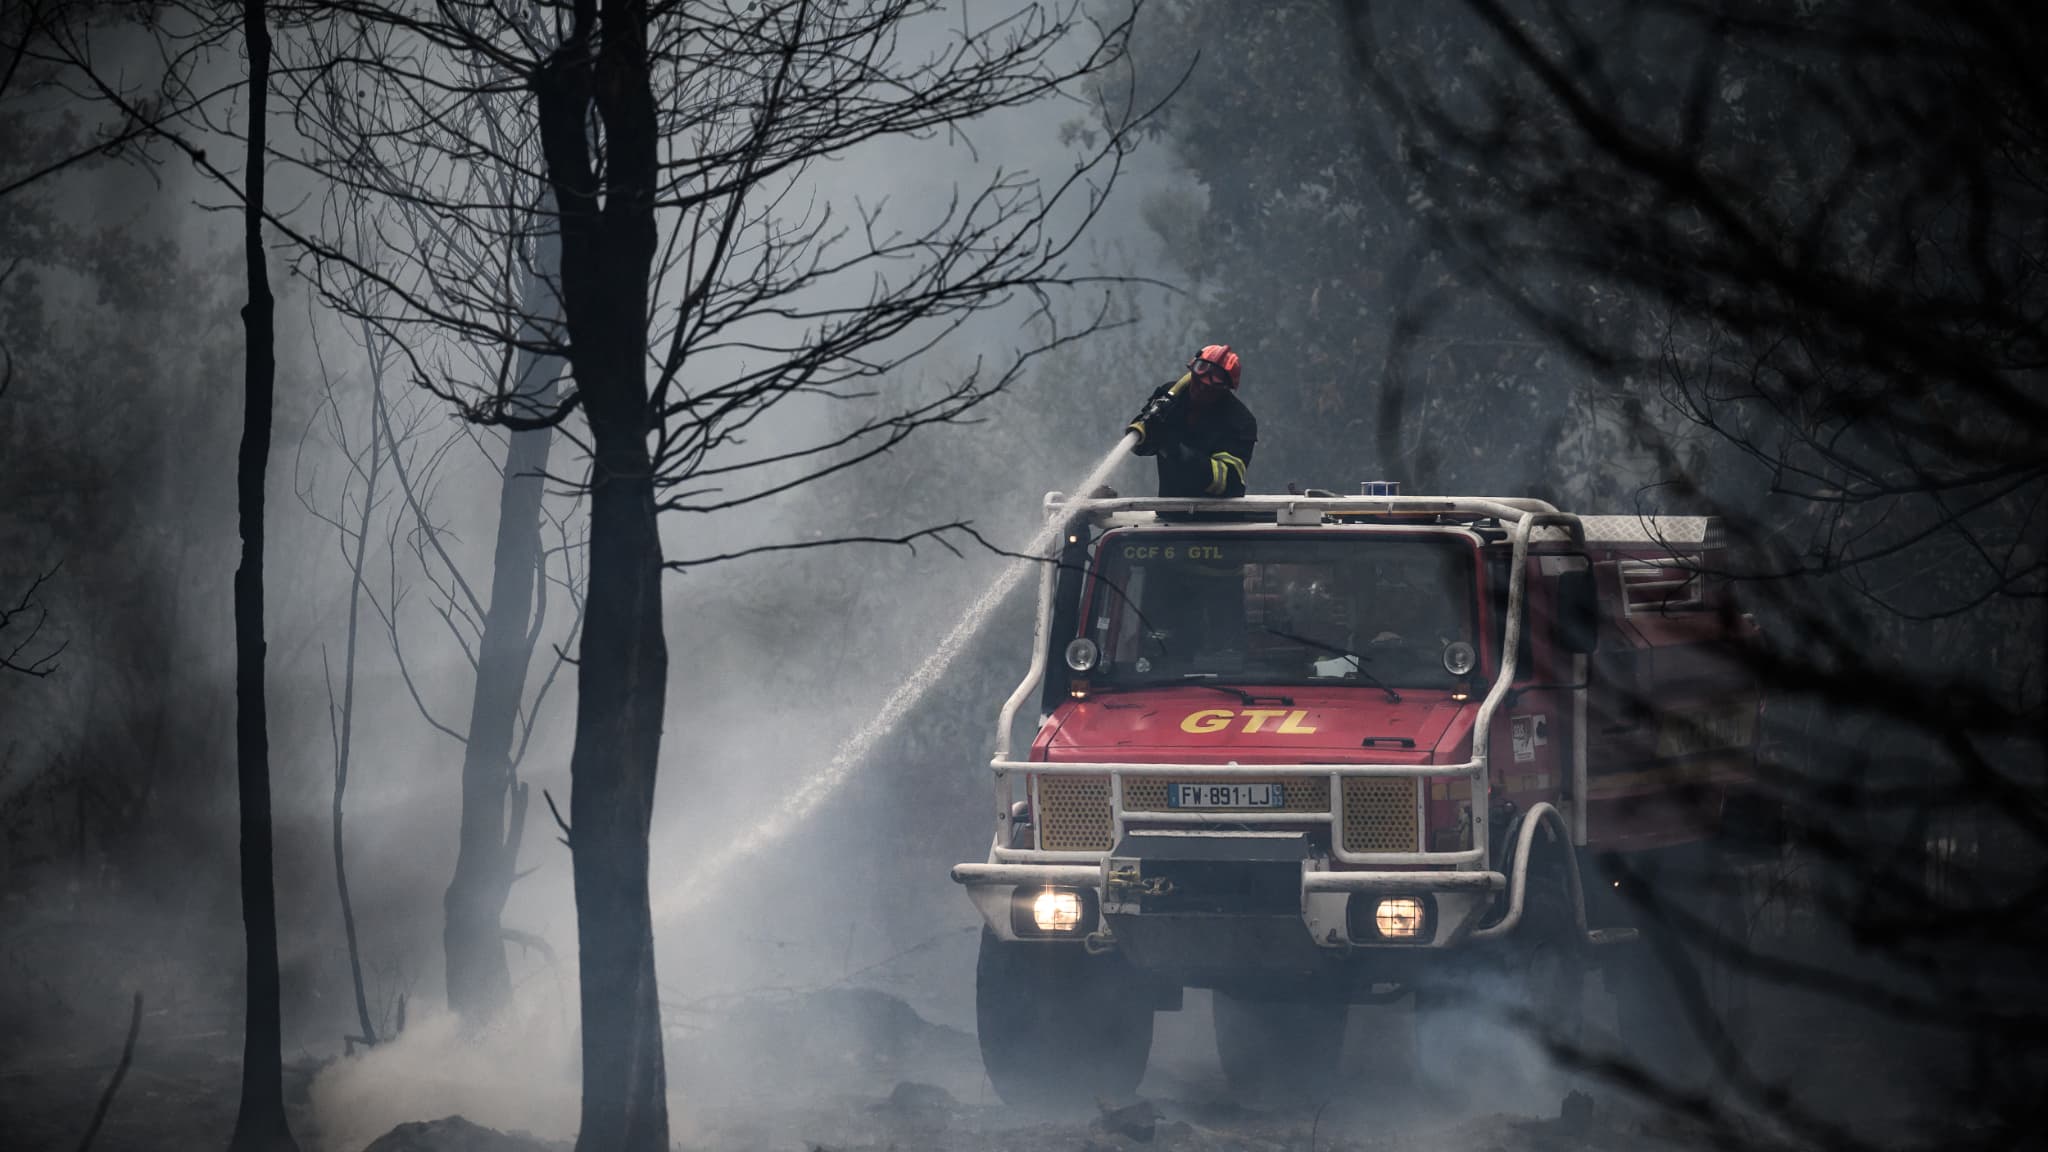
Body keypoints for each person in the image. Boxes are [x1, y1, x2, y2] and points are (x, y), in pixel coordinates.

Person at [1127, 344, 1257, 497]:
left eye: (1209, 389)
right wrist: (1146, 435)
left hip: (1218, 517)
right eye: (1198, 381)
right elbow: (1140, 448)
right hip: (1171, 513)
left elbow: (1227, 482)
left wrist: (1176, 451)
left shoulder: (1240, 421)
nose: (1200, 389)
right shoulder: (1170, 398)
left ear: (1225, 390)